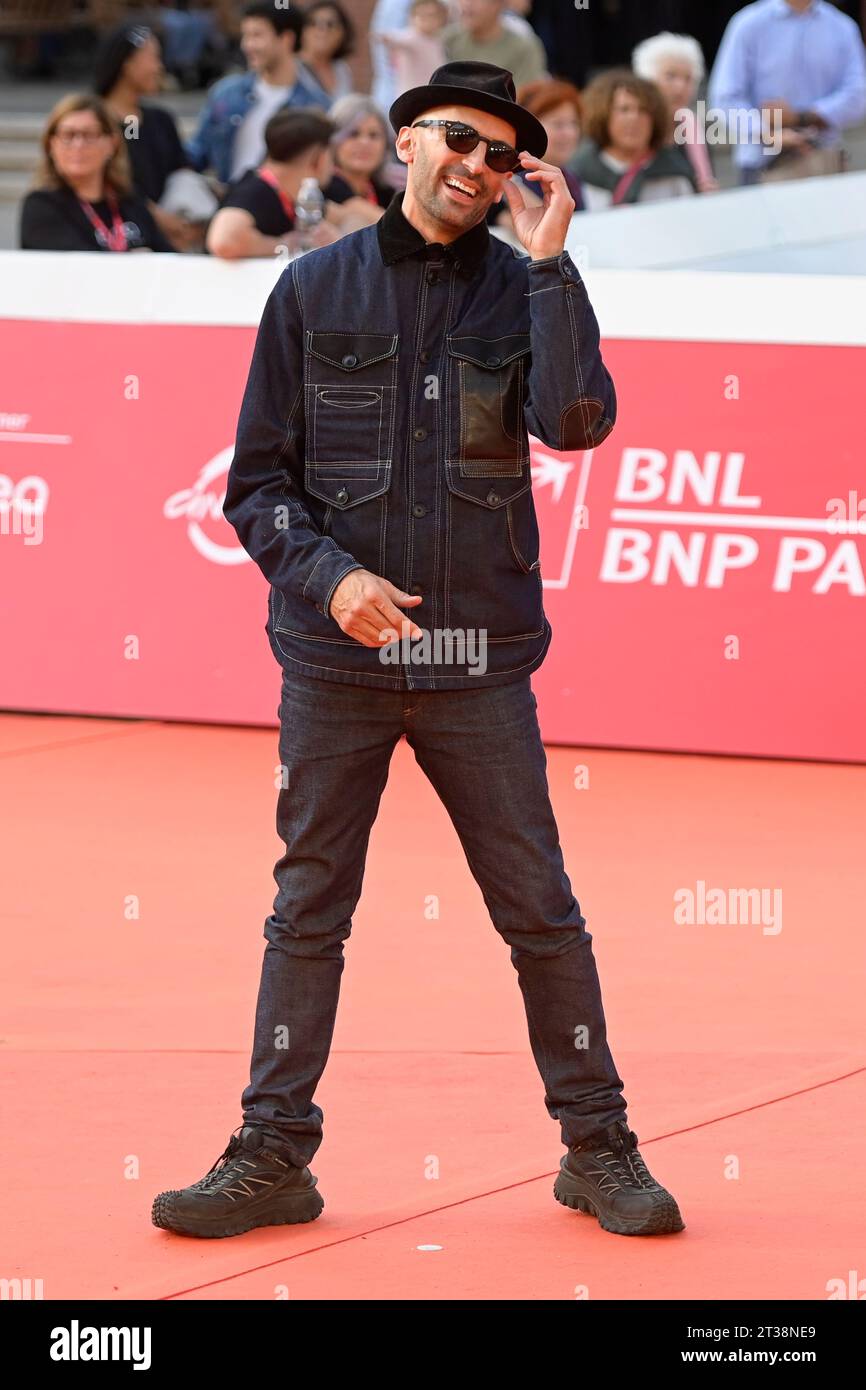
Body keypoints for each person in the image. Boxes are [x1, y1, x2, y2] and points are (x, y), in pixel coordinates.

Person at [152, 60, 685, 1242]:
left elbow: (577, 422)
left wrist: (550, 264)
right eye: (458, 139)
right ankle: (272, 1152)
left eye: (502, 156)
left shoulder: (522, 284)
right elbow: (255, 487)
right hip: (332, 663)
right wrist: (330, 578)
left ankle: (597, 1148)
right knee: (308, 911)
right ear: (403, 140)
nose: (478, 167)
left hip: (477, 662)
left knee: (538, 910)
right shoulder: (307, 290)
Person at [708, 0, 866, 185]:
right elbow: (724, 98)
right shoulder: (749, 24)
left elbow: (858, 96)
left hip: (825, 164)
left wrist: (800, 118)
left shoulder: (842, 28)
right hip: (763, 165)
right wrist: (767, 134)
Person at [93, 21, 212, 253]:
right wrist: (155, 217)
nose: (159, 68)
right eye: (153, 58)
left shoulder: (160, 119)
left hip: (173, 238)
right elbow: (109, 182)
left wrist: (185, 222)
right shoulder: (93, 120)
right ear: (127, 63)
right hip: (118, 236)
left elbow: (181, 170)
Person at [186, 2, 331, 188]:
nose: (247, 45)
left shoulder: (314, 107)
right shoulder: (226, 93)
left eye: (257, 35)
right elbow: (196, 153)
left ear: (286, 39)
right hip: (227, 204)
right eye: (245, 36)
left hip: (282, 210)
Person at [19, 93, 172, 253]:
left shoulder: (130, 200)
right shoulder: (41, 206)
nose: (78, 145)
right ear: (51, 144)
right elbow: (77, 266)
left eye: (89, 135)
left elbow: (169, 257)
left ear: (112, 143)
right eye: (68, 135)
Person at [207, 109, 340, 259]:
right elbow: (224, 241)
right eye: (331, 155)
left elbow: (347, 217)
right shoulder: (256, 191)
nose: (333, 167)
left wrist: (338, 238)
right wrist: (285, 245)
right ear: (319, 159)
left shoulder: (300, 195)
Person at [570, 69, 698, 210]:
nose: (634, 118)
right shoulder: (578, 174)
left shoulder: (674, 172)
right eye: (624, 109)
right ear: (603, 115)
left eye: (643, 110)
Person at [632, 31, 719, 194]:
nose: (680, 87)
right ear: (646, 80)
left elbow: (708, 182)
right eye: (670, 76)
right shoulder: (633, 128)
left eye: (688, 79)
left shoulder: (693, 127)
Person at [321, 94, 396, 229]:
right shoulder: (326, 187)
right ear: (333, 142)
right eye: (353, 134)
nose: (364, 143)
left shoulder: (385, 190)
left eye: (373, 135)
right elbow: (395, 228)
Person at [444, 0, 547, 92]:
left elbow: (527, 100)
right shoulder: (448, 40)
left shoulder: (524, 48)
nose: (467, 3)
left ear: (499, 4)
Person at [374, 0, 449, 101]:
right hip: (412, 95)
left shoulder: (438, 41)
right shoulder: (412, 37)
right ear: (412, 17)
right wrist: (386, 38)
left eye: (432, 15)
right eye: (421, 15)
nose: (426, 20)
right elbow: (398, 38)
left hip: (431, 92)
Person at [298, 1, 356, 104]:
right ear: (302, 30)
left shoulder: (342, 70)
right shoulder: (291, 67)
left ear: (342, 32)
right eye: (313, 23)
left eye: (330, 24)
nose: (322, 29)